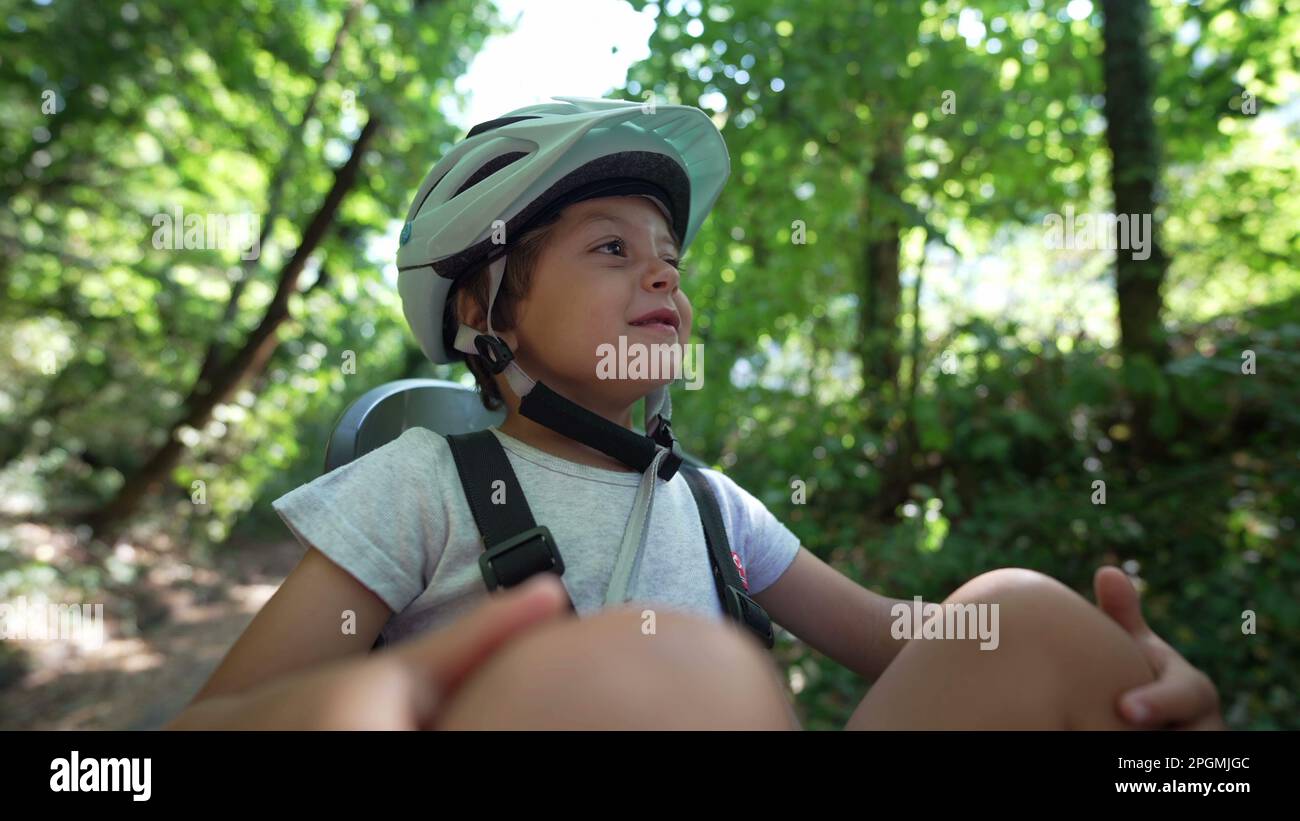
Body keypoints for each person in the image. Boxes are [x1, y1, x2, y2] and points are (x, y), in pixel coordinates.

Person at [168, 97, 1224, 731]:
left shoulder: (717, 506)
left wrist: (1115, 678)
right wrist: (383, 698)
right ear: (485, 313)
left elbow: (910, 640)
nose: (665, 277)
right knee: (670, 664)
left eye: (671, 258)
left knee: (1025, 612)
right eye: (613, 248)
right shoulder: (417, 488)